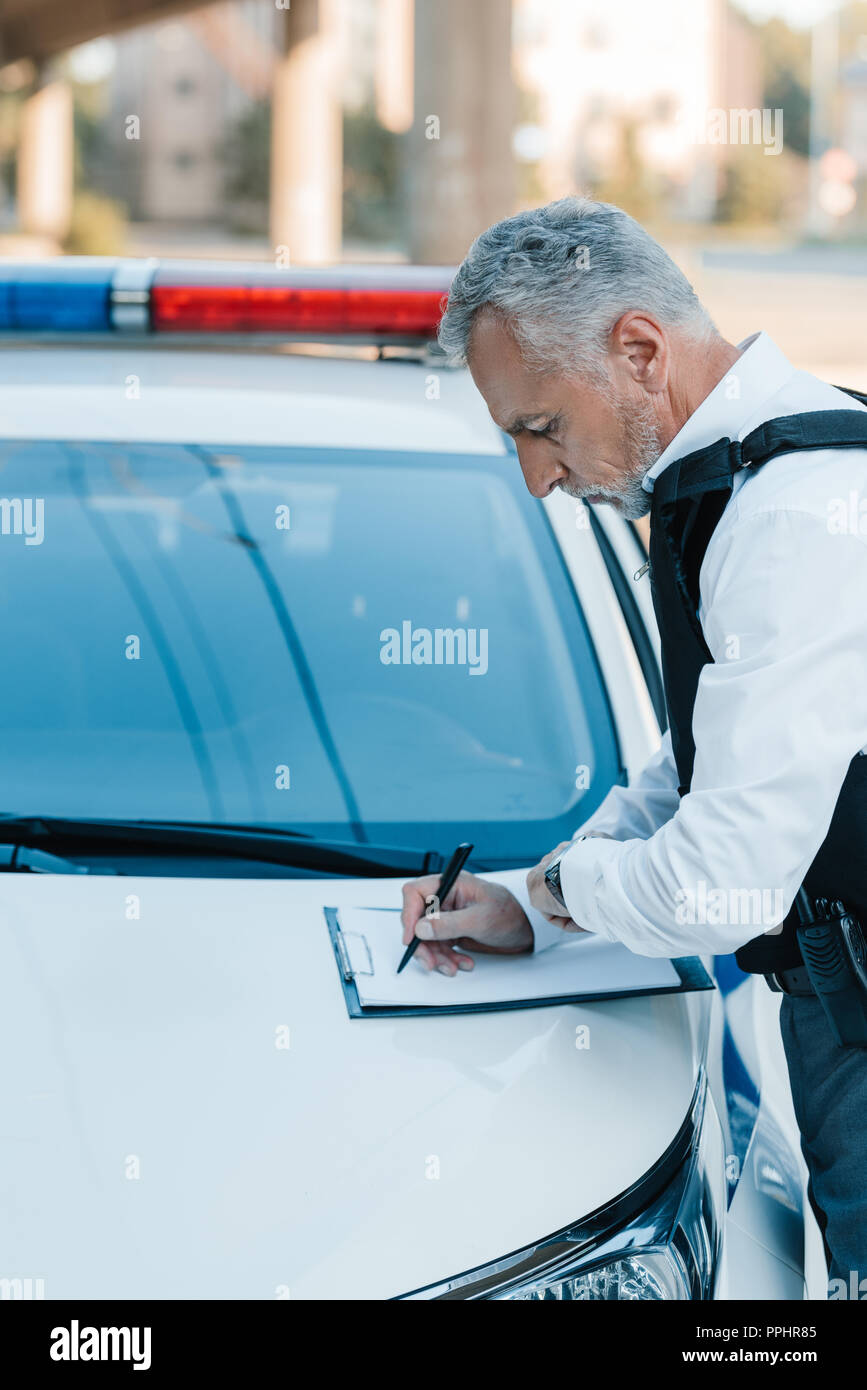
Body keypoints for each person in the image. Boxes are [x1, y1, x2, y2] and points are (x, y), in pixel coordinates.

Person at [399, 196, 867, 1294]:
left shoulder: (797, 516)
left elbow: (719, 887)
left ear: (640, 350)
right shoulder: (759, 479)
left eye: (541, 428)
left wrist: (563, 887)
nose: (536, 478)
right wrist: (530, 901)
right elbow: (704, 762)